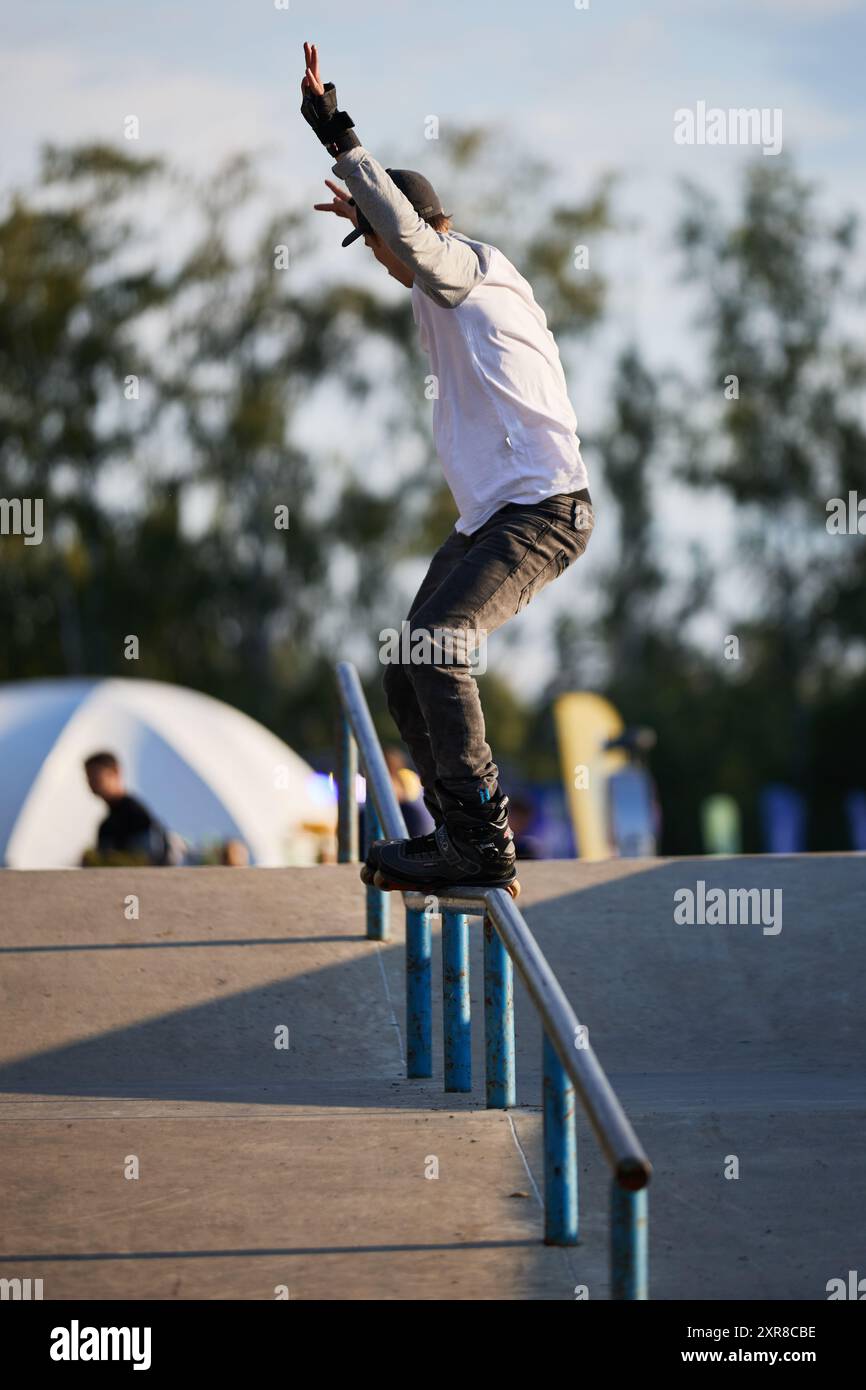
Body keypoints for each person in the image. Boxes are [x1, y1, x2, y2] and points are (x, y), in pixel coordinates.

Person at [302, 43, 594, 891]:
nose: (384, 265)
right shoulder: (445, 292)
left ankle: (481, 837)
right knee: (406, 665)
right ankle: (448, 832)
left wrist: (341, 141)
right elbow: (403, 242)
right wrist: (367, 206)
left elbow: (415, 242)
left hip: (544, 510)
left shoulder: (468, 269)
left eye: (381, 246)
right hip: (491, 522)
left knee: (437, 648)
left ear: (420, 231)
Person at [83, 752, 171, 866]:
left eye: (96, 776)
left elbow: (148, 860)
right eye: (89, 777)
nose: (91, 782)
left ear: (116, 772)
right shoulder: (105, 825)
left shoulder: (137, 815)